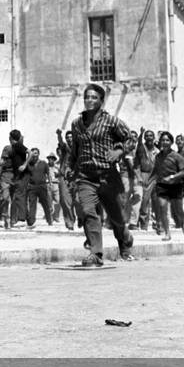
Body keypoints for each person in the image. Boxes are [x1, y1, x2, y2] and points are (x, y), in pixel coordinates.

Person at [66, 84, 134, 266]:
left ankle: (125, 241)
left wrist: (119, 151)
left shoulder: (112, 121)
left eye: (94, 97)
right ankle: (95, 254)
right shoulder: (76, 123)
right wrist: (70, 166)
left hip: (108, 176)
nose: (90, 100)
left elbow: (130, 139)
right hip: (86, 176)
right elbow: (75, 149)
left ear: (101, 101)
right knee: (89, 212)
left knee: (116, 218)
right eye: (87, 97)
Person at [150, 131, 184, 241]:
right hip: (162, 186)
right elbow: (155, 170)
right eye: (163, 140)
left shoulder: (177, 156)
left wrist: (172, 177)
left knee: (178, 210)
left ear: (171, 142)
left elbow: (183, 172)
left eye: (167, 140)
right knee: (163, 208)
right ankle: (167, 233)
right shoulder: (158, 156)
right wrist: (149, 181)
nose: (165, 142)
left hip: (175, 185)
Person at [25, 148, 53, 227]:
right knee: (32, 204)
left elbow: (48, 174)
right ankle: (31, 220)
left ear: (38, 154)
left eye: (36, 153)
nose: (34, 155)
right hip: (32, 187)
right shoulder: (28, 164)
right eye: (33, 153)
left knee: (45, 203)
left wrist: (50, 183)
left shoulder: (43, 163)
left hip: (42, 186)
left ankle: (49, 219)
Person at [7, 130, 30, 227]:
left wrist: (24, 165)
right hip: (17, 175)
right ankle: (21, 219)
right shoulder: (14, 147)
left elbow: (30, 152)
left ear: (11, 137)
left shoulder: (17, 145)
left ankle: (22, 219)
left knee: (19, 196)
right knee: (17, 196)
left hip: (22, 175)